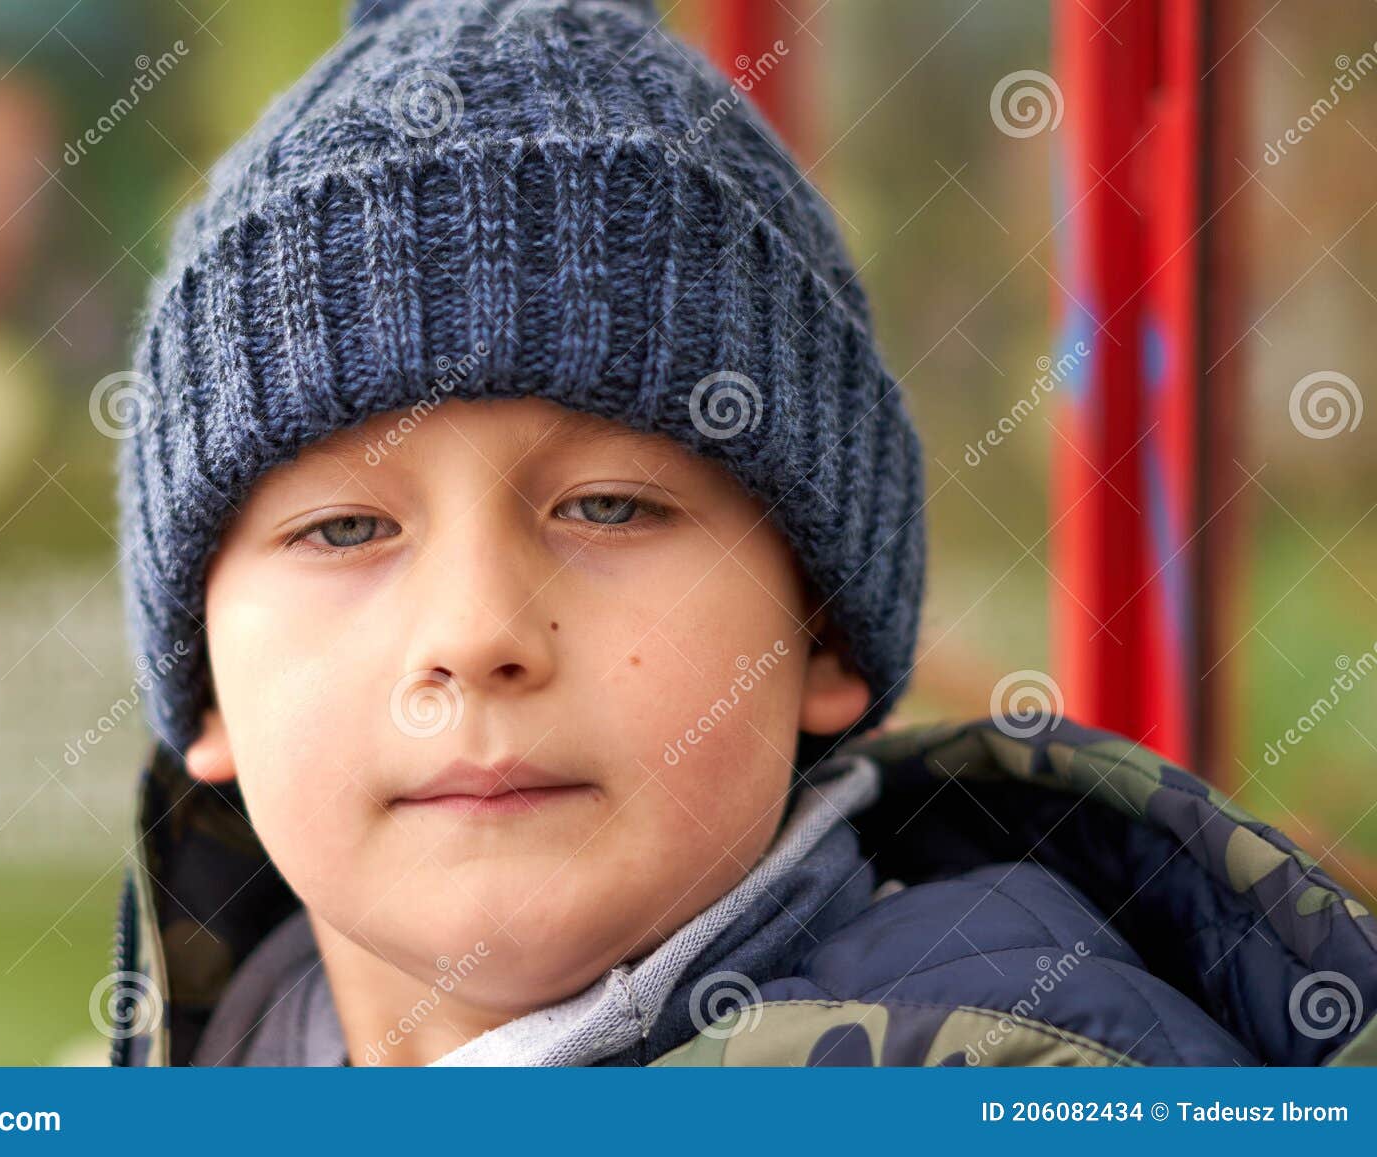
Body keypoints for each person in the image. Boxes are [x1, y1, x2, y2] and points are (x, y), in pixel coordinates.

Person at [106, 0, 1377, 1067]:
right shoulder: (194, 1043)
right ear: (203, 673)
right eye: (343, 527)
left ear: (819, 624)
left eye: (608, 506)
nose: (475, 632)